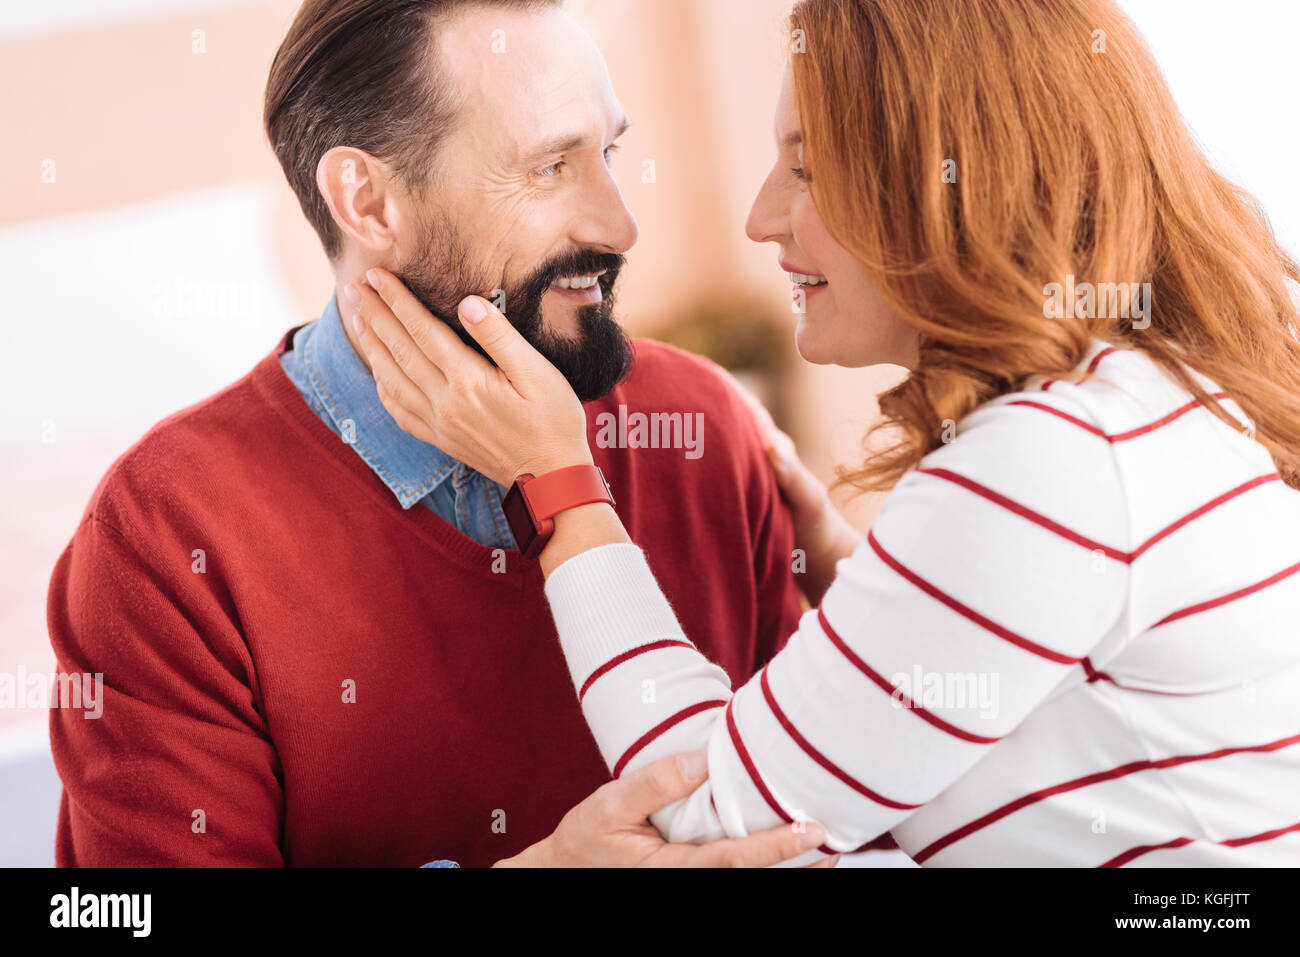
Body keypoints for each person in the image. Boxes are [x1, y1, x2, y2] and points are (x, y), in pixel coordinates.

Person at [355, 0, 1300, 866]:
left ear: (958, 180)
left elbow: (713, 815)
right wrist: (865, 574)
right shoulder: (1156, 393)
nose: (763, 215)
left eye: (806, 167)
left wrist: (558, 482)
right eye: (554, 164)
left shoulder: (1056, 459)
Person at [46, 0, 816, 867]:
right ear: (368, 202)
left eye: (606, 153)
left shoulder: (706, 427)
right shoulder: (161, 538)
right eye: (550, 167)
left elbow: (820, 824)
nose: (618, 225)